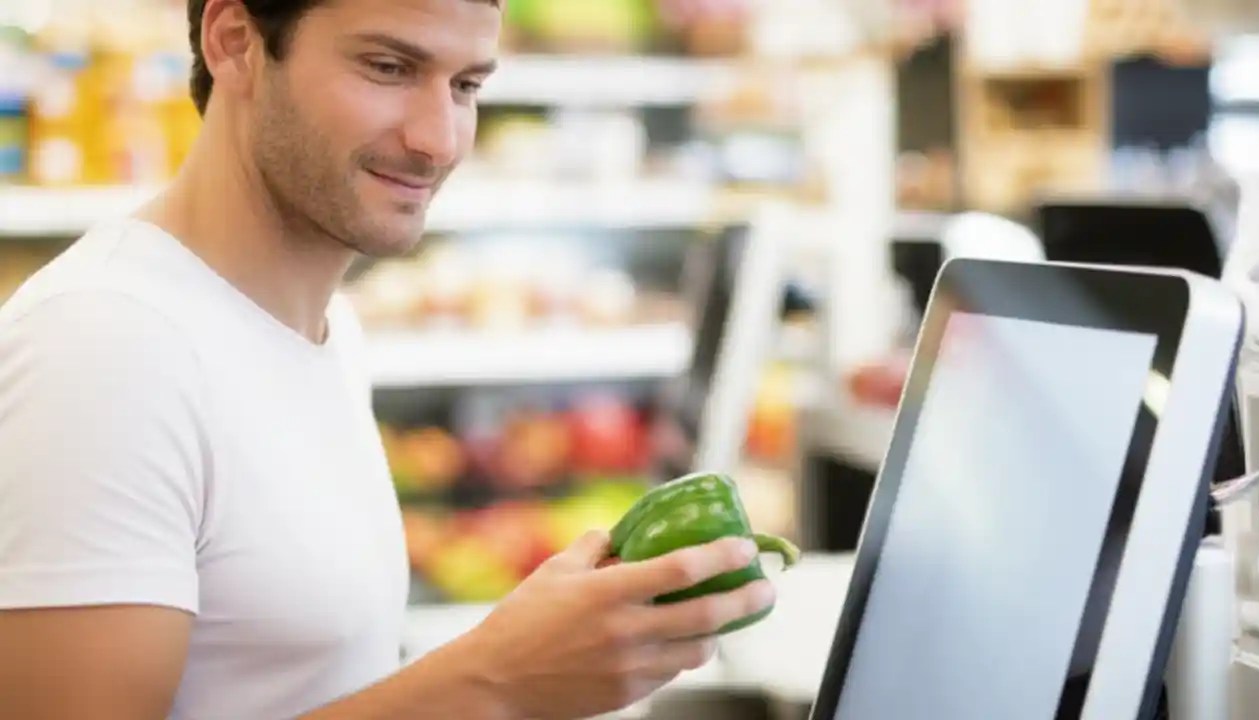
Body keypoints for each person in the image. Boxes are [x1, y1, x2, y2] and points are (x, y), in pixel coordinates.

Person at [0, 1, 776, 718]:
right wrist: (496, 680)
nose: (437, 140)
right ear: (234, 42)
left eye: (466, 84)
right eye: (388, 68)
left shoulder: (325, 327)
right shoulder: (105, 346)